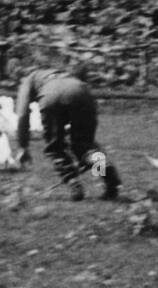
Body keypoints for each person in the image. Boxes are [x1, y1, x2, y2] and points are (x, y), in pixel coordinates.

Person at [14, 68, 122, 201]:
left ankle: (73, 184)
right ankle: (109, 181)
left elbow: (22, 114)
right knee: (85, 146)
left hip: (51, 95)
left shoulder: (28, 80)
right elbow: (68, 98)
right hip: (81, 91)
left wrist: (22, 146)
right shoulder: (60, 72)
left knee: (55, 147)